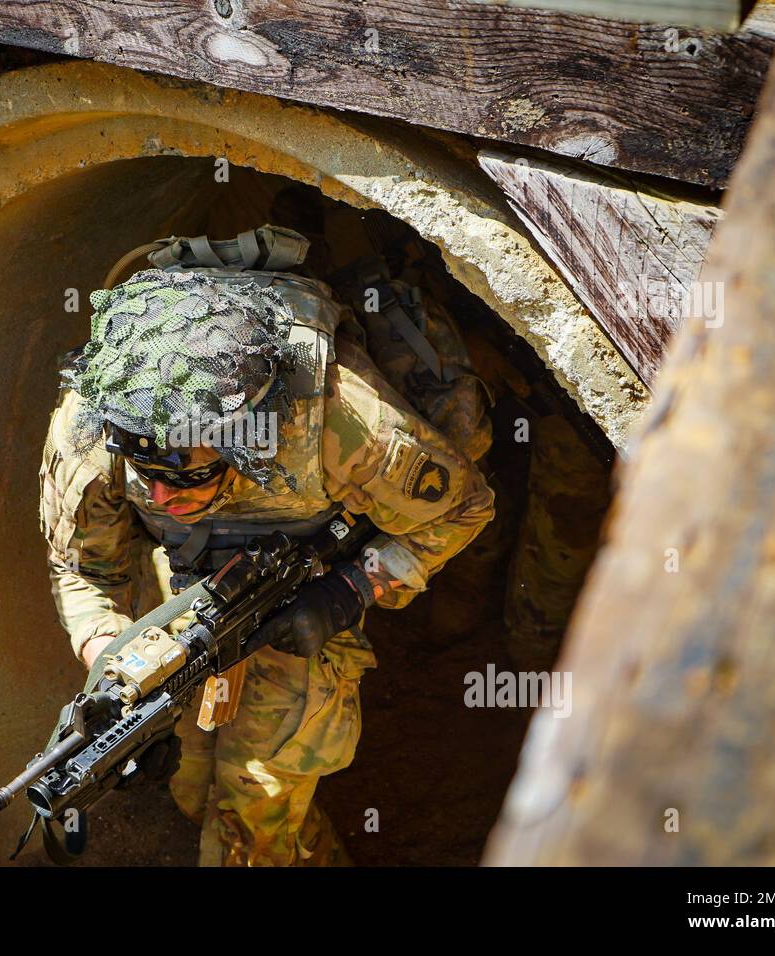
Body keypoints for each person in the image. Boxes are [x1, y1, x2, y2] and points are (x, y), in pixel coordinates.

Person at [39, 252, 495, 866]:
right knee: (191, 791)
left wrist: (351, 590)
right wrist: (117, 663)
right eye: (146, 474)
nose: (161, 496)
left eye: (186, 474)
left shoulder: (344, 424)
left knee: (254, 813)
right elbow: (81, 567)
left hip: (304, 602)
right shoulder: (96, 425)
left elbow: (462, 509)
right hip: (181, 605)